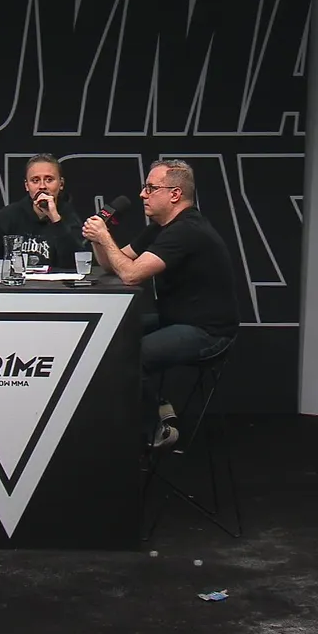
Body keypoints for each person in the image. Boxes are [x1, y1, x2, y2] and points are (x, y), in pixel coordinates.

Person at [82, 159, 239, 449]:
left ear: (175, 194)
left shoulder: (187, 230)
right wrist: (97, 237)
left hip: (208, 331)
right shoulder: (162, 227)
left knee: (131, 356)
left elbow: (131, 275)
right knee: (112, 337)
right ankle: (157, 405)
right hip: (175, 319)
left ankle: (155, 432)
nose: (142, 194)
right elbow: (113, 265)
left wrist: (105, 237)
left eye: (151, 188)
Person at [0, 154, 87, 271]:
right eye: (35, 180)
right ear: (27, 186)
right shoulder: (5, 217)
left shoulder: (70, 217)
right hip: (17, 281)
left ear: (61, 184)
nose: (42, 186)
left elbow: (78, 265)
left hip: (57, 282)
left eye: (49, 180)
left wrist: (55, 219)